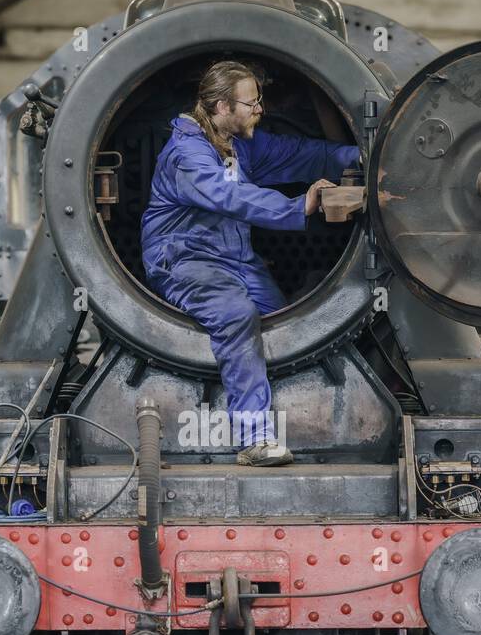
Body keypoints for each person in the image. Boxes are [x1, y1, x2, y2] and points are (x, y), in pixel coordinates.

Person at [141, 60, 361, 466]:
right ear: (222, 107)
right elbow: (231, 198)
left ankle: (296, 421)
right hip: (186, 261)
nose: (261, 109)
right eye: (252, 102)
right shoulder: (188, 154)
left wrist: (364, 156)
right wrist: (299, 205)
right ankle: (254, 439)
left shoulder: (240, 144)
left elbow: (301, 154)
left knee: (292, 325)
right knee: (236, 314)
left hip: (235, 258)